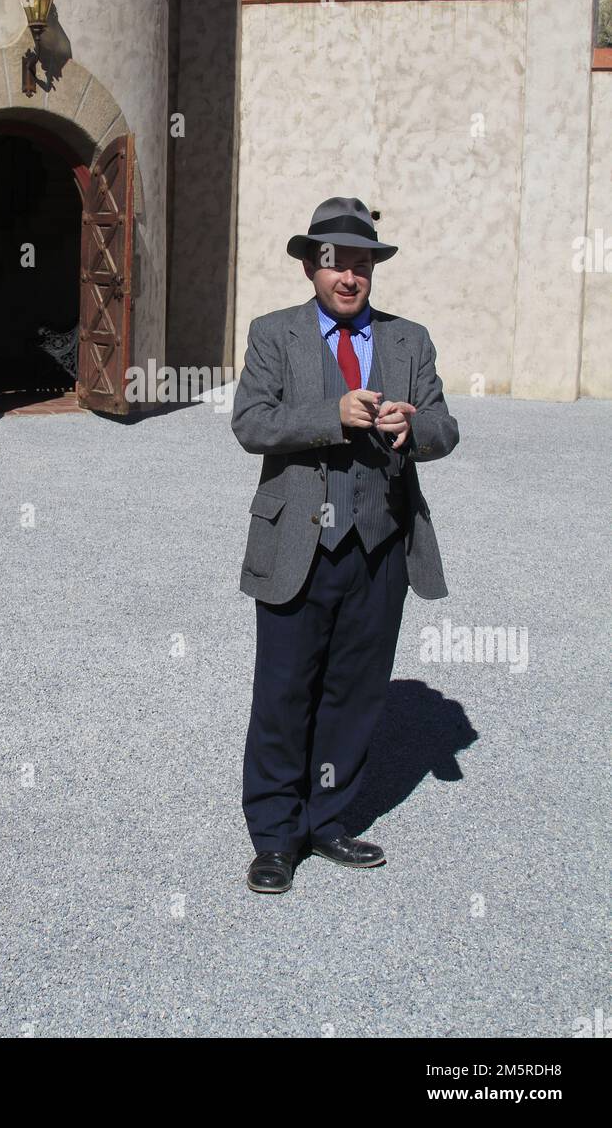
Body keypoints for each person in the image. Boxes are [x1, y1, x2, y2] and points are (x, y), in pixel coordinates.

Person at [231, 196, 459, 893]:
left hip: (380, 547)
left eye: (361, 264)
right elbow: (252, 423)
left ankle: (328, 822)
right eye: (335, 263)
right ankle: (275, 839)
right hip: (299, 545)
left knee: (355, 694)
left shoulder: (408, 341)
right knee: (283, 693)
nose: (349, 277)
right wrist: (330, 414)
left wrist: (409, 429)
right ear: (311, 266)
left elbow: (445, 428)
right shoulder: (275, 335)